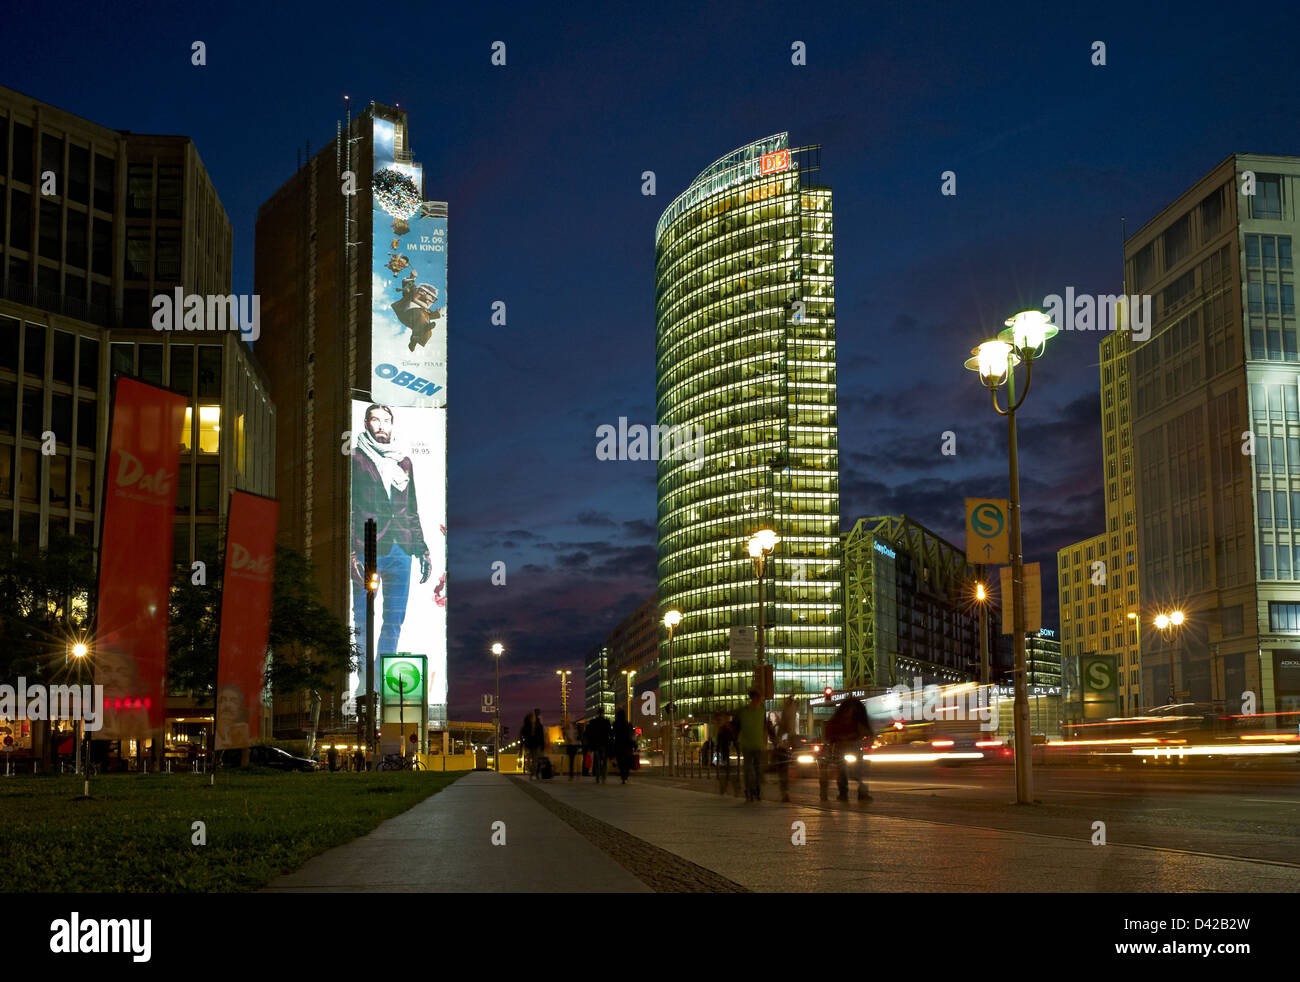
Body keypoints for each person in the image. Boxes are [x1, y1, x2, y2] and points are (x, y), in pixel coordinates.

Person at [350, 404, 433, 678]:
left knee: (394, 620)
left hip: (401, 548)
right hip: (367, 548)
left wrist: (422, 548)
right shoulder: (356, 459)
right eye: (376, 420)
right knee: (362, 619)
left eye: (387, 420)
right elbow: (349, 508)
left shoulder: (404, 462)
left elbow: (412, 508)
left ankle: (380, 681)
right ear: (366, 423)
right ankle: (364, 681)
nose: (382, 426)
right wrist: (351, 551)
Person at [820, 697, 874, 802]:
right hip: (838, 750)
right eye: (848, 710)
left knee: (860, 771)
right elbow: (829, 737)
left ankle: (863, 792)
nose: (849, 713)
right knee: (841, 770)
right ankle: (842, 793)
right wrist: (838, 741)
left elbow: (865, 733)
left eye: (852, 711)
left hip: (854, 750)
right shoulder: (835, 722)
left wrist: (864, 738)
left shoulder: (857, 723)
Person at [735, 690, 775, 803]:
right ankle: (748, 791)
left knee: (758, 770)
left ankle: (756, 791)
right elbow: (737, 726)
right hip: (746, 745)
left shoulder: (762, 711)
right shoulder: (743, 711)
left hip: (758, 745)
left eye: (760, 699)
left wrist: (772, 737)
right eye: (757, 698)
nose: (759, 701)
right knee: (748, 770)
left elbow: (765, 725)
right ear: (752, 698)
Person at [776, 696, 798, 802]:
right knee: (784, 772)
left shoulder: (786, 721)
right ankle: (785, 792)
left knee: (784, 772)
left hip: (784, 747)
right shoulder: (787, 722)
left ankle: (785, 792)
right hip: (783, 749)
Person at [585, 707, 612, 784]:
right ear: (603, 713)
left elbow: (589, 733)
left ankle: (597, 777)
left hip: (596, 744)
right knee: (604, 762)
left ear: (597, 713)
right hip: (604, 744)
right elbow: (610, 733)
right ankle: (603, 777)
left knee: (597, 762)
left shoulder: (593, 722)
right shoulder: (606, 722)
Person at [612, 707, 636, 784]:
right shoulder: (628, 724)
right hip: (627, 745)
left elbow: (613, 734)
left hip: (618, 745)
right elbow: (632, 735)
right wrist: (634, 744)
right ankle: (626, 775)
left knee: (620, 761)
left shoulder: (615, 724)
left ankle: (623, 776)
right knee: (627, 761)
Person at [716, 715, 737, 795]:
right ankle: (726, 789)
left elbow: (719, 744)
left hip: (727, 754)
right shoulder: (724, 730)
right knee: (728, 773)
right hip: (726, 754)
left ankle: (725, 789)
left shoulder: (723, 730)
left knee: (727, 773)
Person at [520, 712, 536, 776]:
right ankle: (531, 770)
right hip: (530, 744)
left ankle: (532, 770)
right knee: (531, 757)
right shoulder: (528, 727)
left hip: (531, 744)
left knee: (532, 758)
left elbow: (521, 736)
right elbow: (522, 736)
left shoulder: (533, 726)